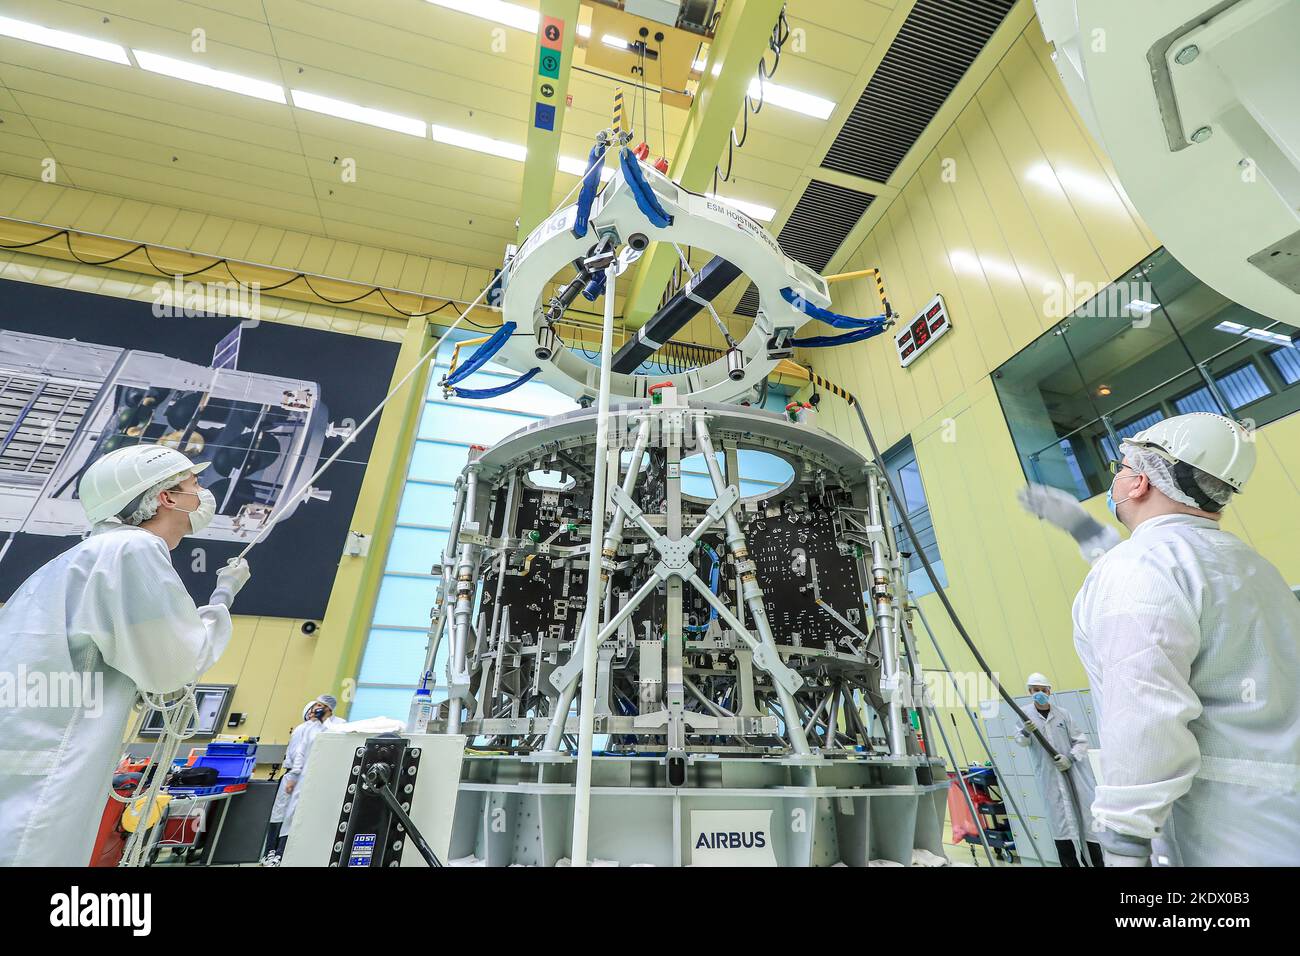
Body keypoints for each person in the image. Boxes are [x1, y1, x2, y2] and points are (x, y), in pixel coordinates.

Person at [1021, 412, 1300, 866]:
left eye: (1122, 469)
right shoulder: (1253, 567)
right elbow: (1164, 584)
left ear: (1139, 484)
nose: (1117, 481)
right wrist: (1082, 529)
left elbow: (1145, 710)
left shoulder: (1141, 567)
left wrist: (1124, 839)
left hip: (1222, 837)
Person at [0, 444, 250, 866]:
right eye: (194, 484)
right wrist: (223, 599)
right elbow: (171, 665)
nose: (202, 493)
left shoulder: (71, 562)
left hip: (27, 754)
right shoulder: (132, 549)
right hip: (52, 766)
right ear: (167, 497)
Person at [1013, 673, 1102, 867]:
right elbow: (1020, 741)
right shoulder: (1024, 714)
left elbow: (1080, 741)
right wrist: (1026, 730)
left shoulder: (1063, 714)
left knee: (1086, 823)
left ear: (1049, 691)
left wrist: (1069, 758)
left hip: (1074, 776)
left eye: (1043, 690)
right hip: (1050, 779)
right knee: (1062, 827)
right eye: (1036, 690)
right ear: (1030, 691)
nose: (1040, 694)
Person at [274, 694, 344, 858]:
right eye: (315, 705)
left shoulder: (339, 725)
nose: (316, 708)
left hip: (324, 776)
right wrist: (292, 778)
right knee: (291, 815)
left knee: (317, 814)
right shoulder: (309, 728)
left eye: (320, 705)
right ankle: (283, 853)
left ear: (329, 708)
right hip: (303, 777)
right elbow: (299, 754)